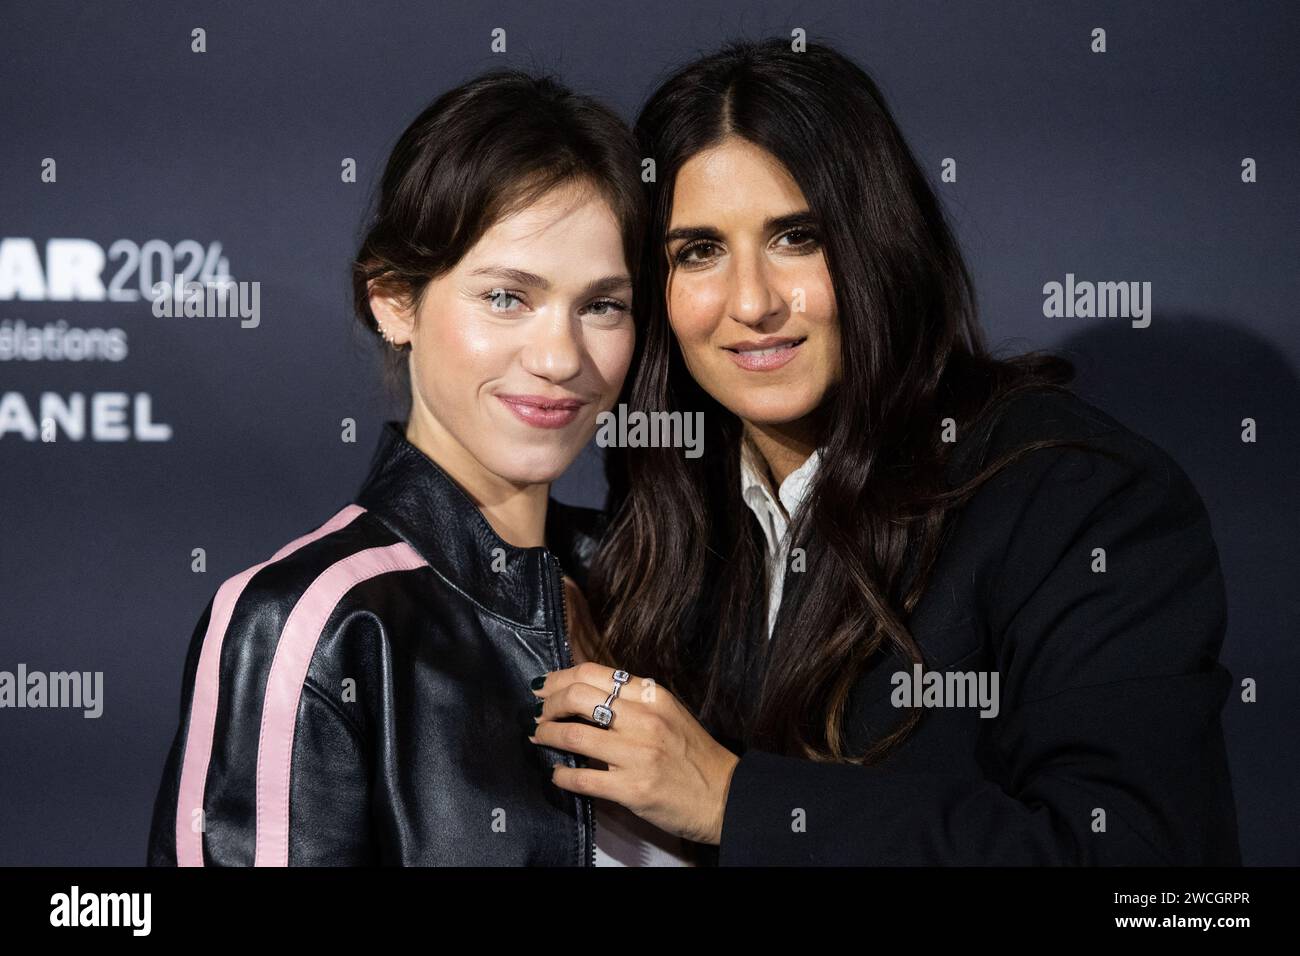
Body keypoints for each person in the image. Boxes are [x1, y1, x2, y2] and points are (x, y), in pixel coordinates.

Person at [527, 38, 1242, 865]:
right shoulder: (668, 516)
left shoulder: (1081, 496)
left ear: (881, 242)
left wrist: (735, 801)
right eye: (700, 251)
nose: (752, 301)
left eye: (797, 237)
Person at [146, 69, 664, 865]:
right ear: (394, 300)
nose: (562, 358)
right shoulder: (311, 624)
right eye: (506, 297)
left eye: (602, 305)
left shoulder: (661, 584)